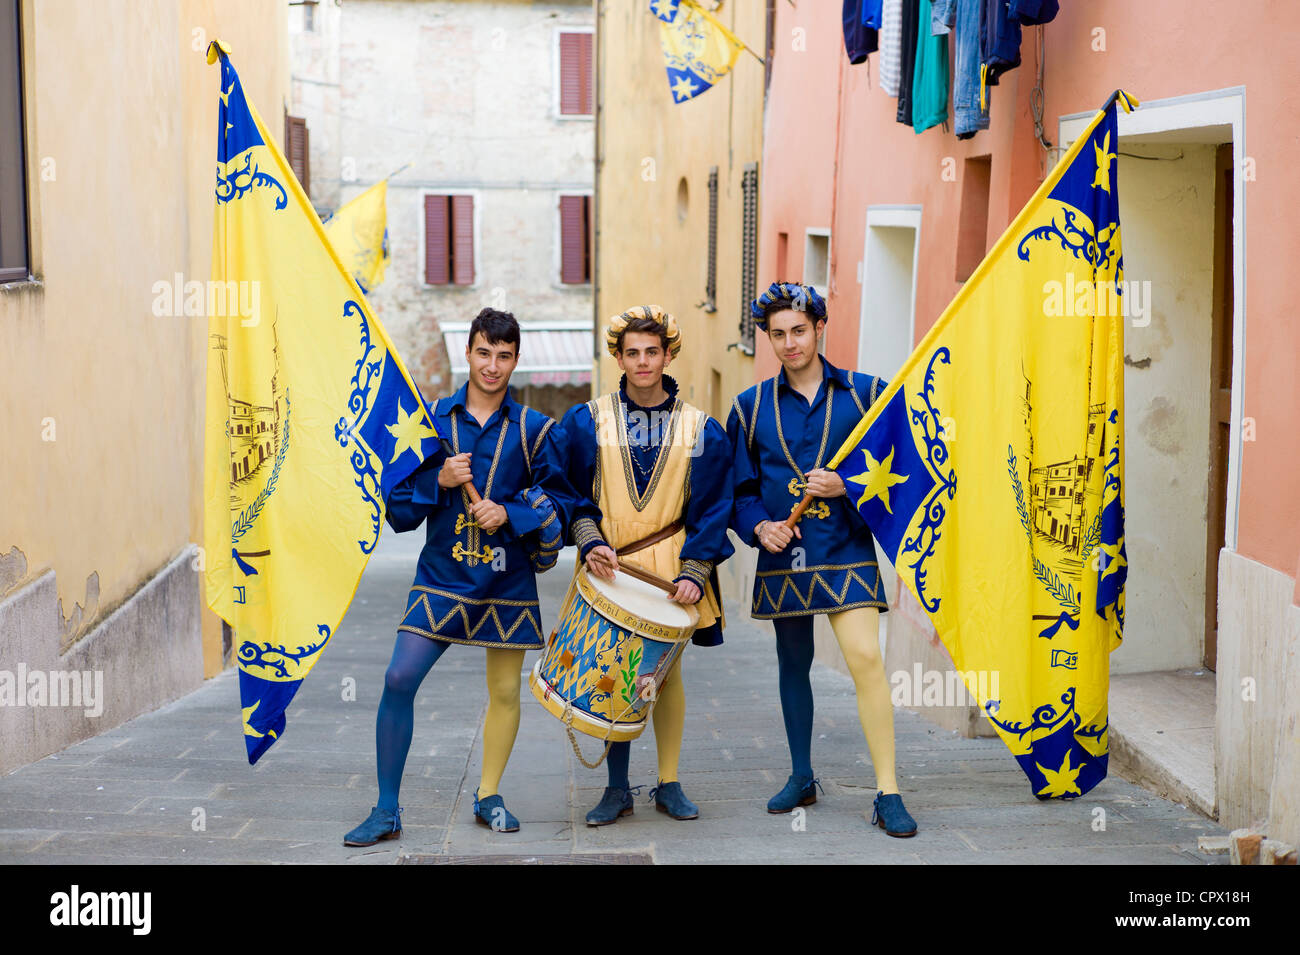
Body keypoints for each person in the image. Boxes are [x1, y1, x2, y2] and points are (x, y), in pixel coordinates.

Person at [343, 308, 572, 845]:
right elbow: (397, 509)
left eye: (504, 355)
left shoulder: (537, 432)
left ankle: (488, 794)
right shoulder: (428, 423)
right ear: (466, 353)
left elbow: (561, 501)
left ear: (517, 360)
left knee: (504, 692)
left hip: (507, 580)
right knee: (399, 679)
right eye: (484, 352)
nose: (492, 365)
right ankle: (387, 809)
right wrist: (438, 479)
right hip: (441, 576)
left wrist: (510, 514)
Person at [727, 282, 918, 837]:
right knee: (793, 663)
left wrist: (848, 485)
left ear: (820, 328)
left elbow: (904, 466)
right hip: (784, 554)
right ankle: (801, 775)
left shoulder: (869, 395)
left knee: (864, 657)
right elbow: (739, 491)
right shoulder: (749, 406)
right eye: (779, 334)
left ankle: (888, 791)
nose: (790, 343)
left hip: (846, 547)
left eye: (799, 331)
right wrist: (759, 525)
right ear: (768, 337)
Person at [558, 305, 733, 825]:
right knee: (612, 674)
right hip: (609, 564)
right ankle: (616, 789)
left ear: (668, 355)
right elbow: (566, 490)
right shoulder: (587, 421)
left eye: (651, 352)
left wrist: (696, 570)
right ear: (617, 356)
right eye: (631, 352)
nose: (642, 361)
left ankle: (670, 782)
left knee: (665, 677)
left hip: (670, 567)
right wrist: (588, 538)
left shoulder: (702, 429)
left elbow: (713, 506)